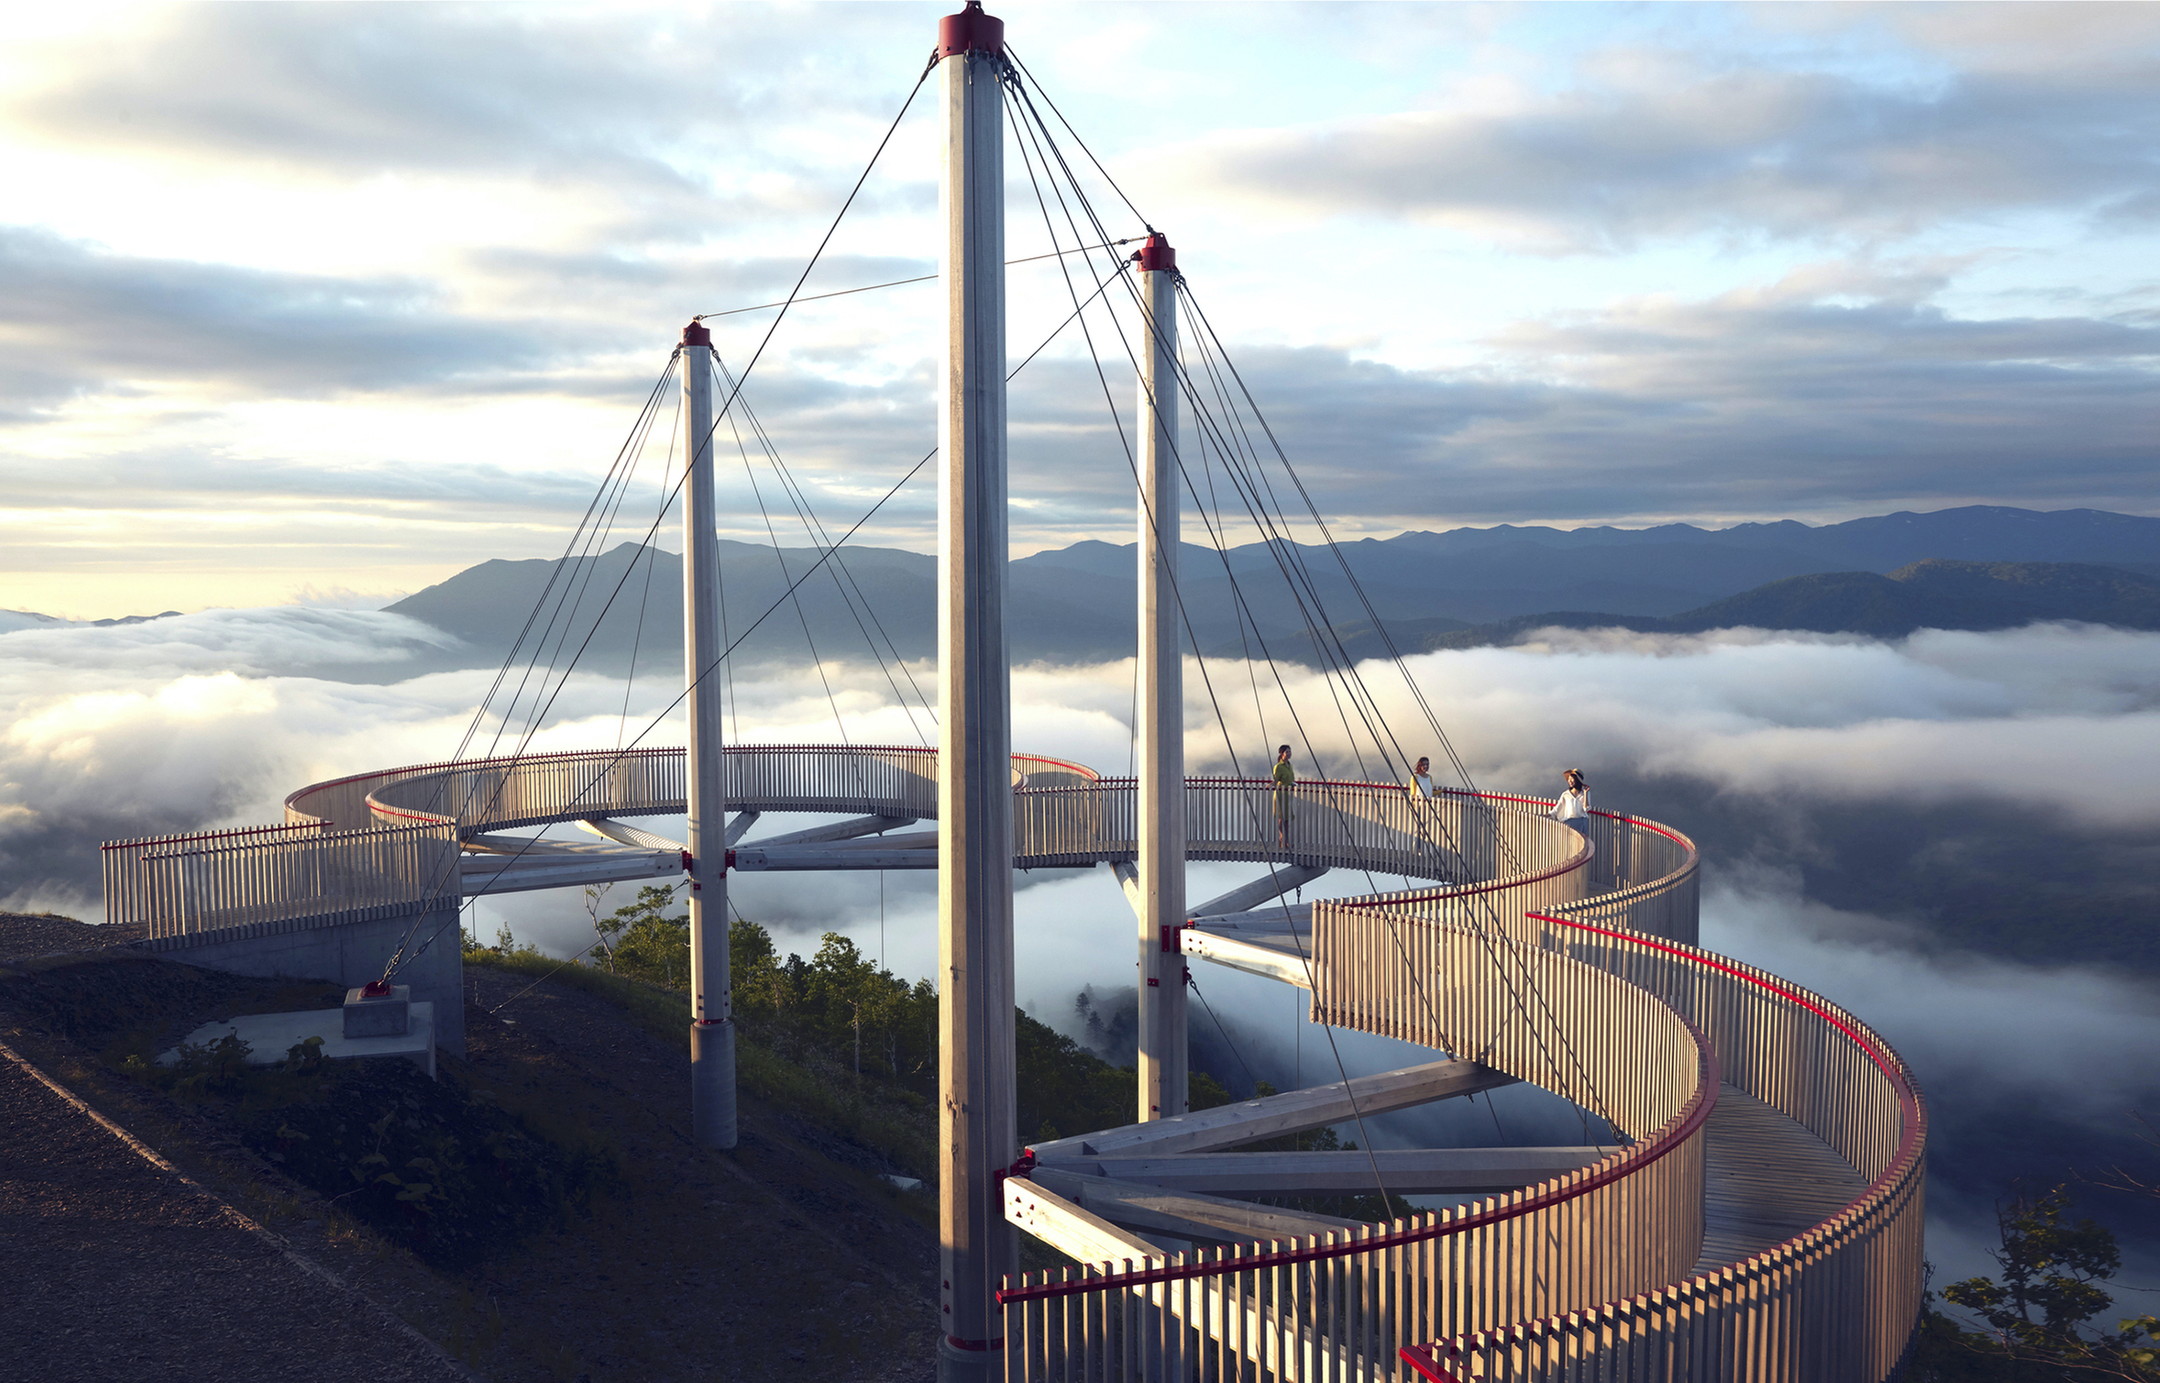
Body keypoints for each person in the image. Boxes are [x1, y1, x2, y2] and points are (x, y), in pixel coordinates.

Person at [1271, 744, 1296, 851]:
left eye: (1290, 752)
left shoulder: (1289, 765)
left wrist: (1293, 784)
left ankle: (1286, 840)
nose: (1289, 754)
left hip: (1287, 794)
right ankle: (1283, 839)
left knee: (1287, 818)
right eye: (1287, 752)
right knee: (1281, 818)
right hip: (1280, 794)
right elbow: (1276, 780)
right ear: (1281, 754)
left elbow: (1291, 779)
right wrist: (1271, 784)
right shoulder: (1278, 767)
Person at [1552, 768, 1590, 834]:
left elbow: (1586, 809)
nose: (1570, 781)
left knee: (1582, 843)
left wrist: (1585, 793)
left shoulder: (1584, 793)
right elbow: (1556, 810)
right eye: (1569, 779)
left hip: (1583, 822)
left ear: (1578, 780)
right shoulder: (1565, 794)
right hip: (1570, 822)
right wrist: (1546, 815)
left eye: (1572, 779)